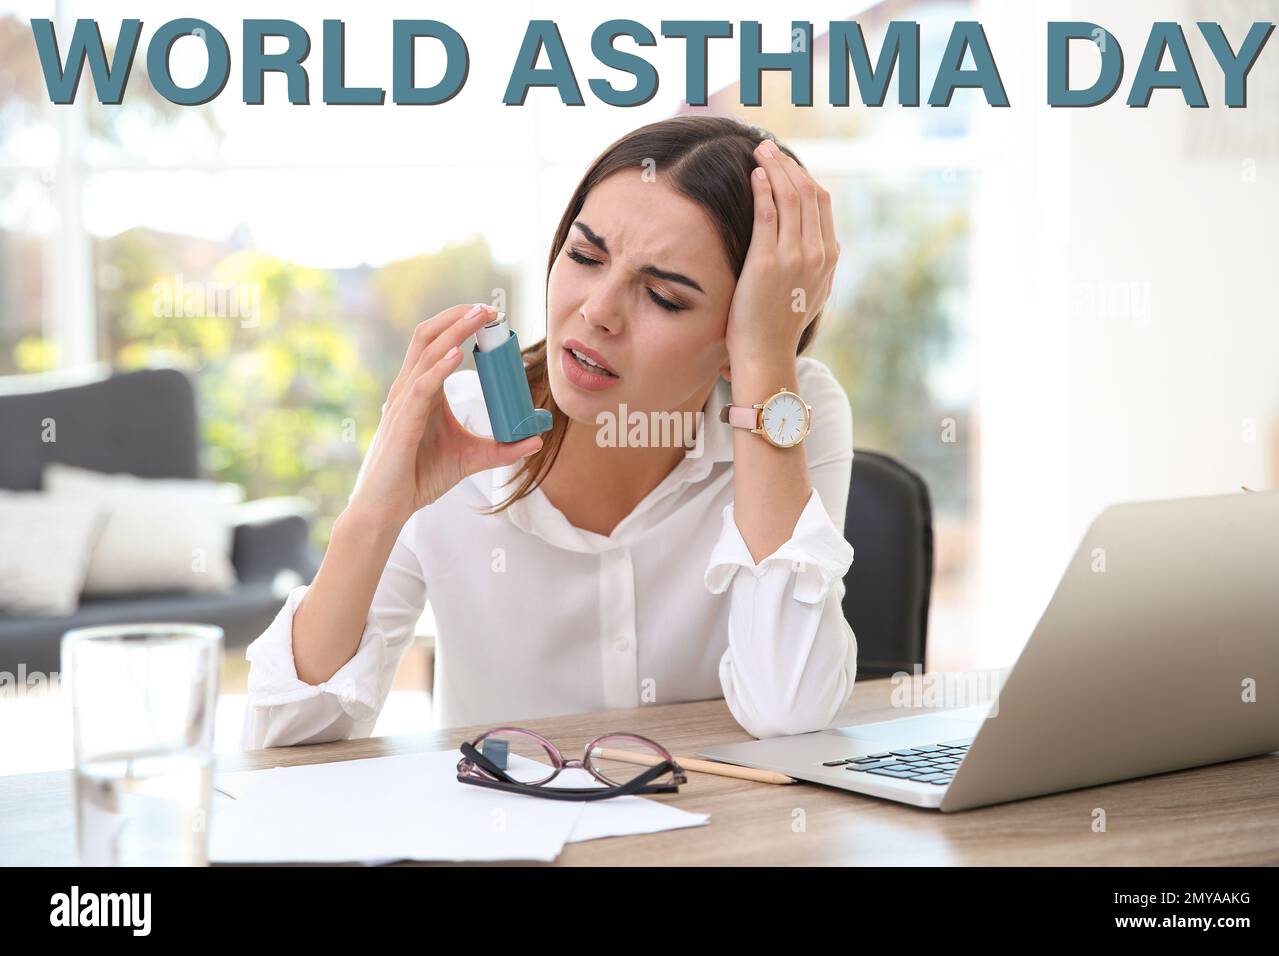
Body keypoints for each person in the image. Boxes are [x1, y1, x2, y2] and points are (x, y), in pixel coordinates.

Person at [240, 115, 856, 749]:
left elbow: (789, 711)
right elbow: (285, 740)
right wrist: (375, 513)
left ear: (739, 335)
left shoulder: (792, 410)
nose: (595, 311)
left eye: (665, 297)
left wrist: (762, 364)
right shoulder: (456, 420)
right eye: (585, 256)